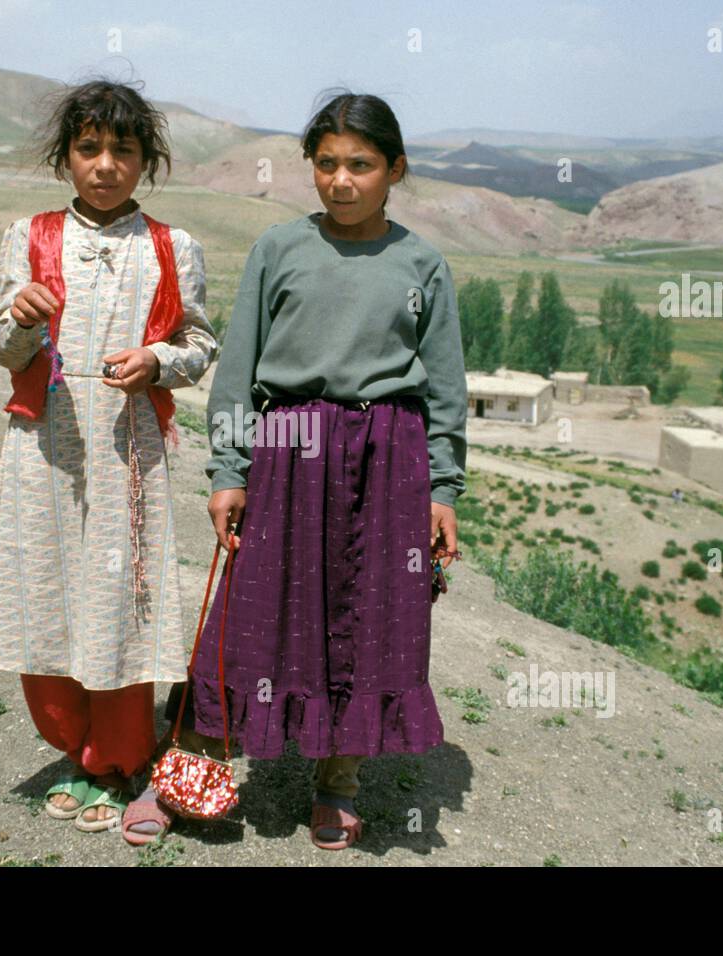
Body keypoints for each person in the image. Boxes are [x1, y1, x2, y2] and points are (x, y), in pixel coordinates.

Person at [162, 90, 468, 850]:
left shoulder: (421, 263)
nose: (342, 181)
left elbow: (444, 388)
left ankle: (338, 783)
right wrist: (227, 470)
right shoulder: (278, 249)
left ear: (394, 168)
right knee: (251, 612)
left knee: (371, 624)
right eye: (326, 164)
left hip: (388, 457)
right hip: (287, 447)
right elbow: (235, 370)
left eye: (361, 165)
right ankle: (203, 767)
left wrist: (441, 489)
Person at [0, 79, 217, 838]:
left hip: (126, 449)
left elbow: (201, 345)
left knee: (119, 606)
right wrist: (18, 318)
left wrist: (158, 361)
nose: (105, 165)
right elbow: (0, 348)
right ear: (65, 157)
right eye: (89, 148)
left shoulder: (175, 247)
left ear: (146, 159)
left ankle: (115, 761)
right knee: (44, 593)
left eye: (123, 149)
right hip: (43, 446)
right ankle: (72, 747)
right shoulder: (28, 235)